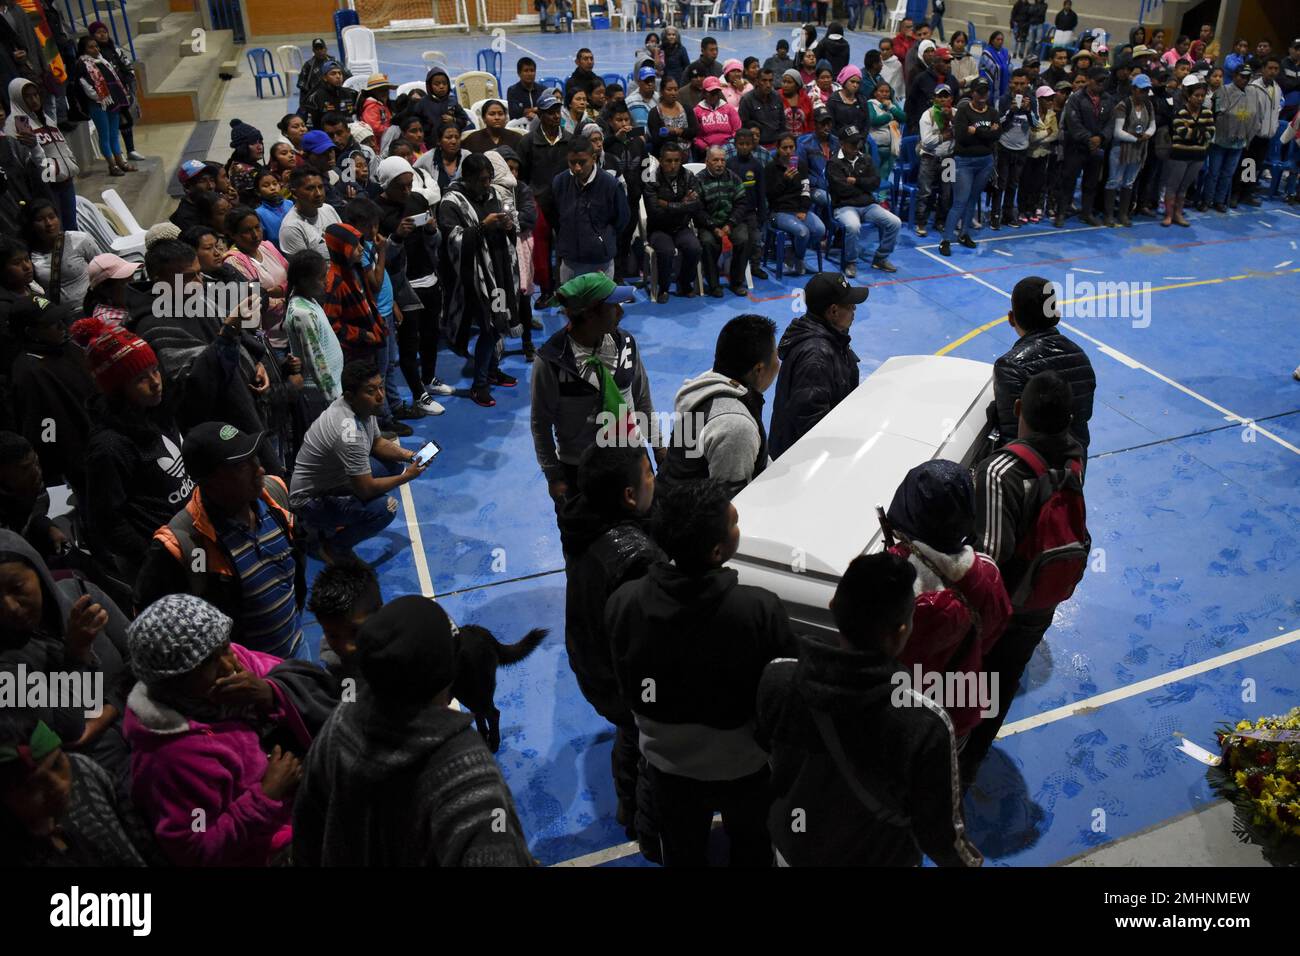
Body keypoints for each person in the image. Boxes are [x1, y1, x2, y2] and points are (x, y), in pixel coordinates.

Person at [607, 478, 795, 867]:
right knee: (752, 845)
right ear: (717, 550)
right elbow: (780, 695)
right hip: (743, 765)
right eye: (735, 523)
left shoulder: (624, 604)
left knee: (682, 848)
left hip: (667, 765)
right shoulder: (760, 610)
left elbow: (626, 687)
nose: (739, 528)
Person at [756, 550, 983, 867]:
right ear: (902, 632)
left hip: (793, 849)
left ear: (834, 607)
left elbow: (766, 759)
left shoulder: (778, 678)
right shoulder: (924, 724)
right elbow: (940, 834)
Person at [292, 594, 533, 866]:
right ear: (450, 672)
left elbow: (306, 832)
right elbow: (494, 854)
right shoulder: (469, 771)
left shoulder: (338, 727)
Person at [961, 371, 1088, 782]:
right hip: (1044, 598)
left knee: (967, 685)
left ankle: (952, 762)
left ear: (1017, 410)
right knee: (1004, 681)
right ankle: (973, 758)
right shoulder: (1076, 454)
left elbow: (990, 558)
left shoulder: (1001, 471)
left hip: (1004, 609)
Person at [123, 594, 311, 866]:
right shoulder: (171, 758)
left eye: (225, 647)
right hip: (273, 850)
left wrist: (268, 692)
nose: (231, 664)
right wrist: (265, 796)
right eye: (210, 662)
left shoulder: (227, 665)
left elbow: (292, 678)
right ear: (174, 682)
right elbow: (196, 847)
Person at [555, 444, 662, 843]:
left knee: (628, 733)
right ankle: (640, 818)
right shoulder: (636, 558)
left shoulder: (581, 519)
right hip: (620, 682)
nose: (656, 478)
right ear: (629, 496)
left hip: (588, 660)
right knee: (645, 742)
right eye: (650, 472)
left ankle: (624, 800)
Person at [0, 524, 132, 788]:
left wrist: (108, 710)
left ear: (38, 572)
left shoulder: (81, 593)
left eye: (17, 588)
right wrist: (75, 655)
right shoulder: (7, 664)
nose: (10, 607)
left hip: (151, 737)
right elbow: (69, 730)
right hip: (103, 777)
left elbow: (144, 658)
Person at [531, 273, 657, 504]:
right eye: (613, 307)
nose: (621, 312)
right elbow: (540, 422)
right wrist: (553, 476)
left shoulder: (625, 344)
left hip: (630, 456)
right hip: (581, 468)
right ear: (589, 313)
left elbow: (642, 399)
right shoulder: (552, 361)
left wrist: (658, 446)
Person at [290, 360, 429, 563]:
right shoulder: (349, 431)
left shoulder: (361, 408)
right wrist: (408, 477)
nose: (380, 396)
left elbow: (378, 443)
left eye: (380, 387)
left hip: (330, 481)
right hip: (310, 500)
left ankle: (339, 515)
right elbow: (366, 489)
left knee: (394, 465)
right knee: (386, 508)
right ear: (350, 395)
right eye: (371, 391)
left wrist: (411, 456)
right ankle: (334, 547)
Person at [0, 709, 159, 867]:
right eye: (33, 786)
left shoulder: (83, 772)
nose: (58, 785)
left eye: (57, 765)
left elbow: (142, 837)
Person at [661, 314, 777, 496]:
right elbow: (731, 502)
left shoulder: (706, 384)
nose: (778, 364)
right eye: (775, 356)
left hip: (672, 502)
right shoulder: (735, 425)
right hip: (691, 518)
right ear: (759, 369)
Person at [437, 153, 518, 409]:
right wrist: (483, 226)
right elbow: (453, 240)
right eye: (482, 180)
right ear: (468, 178)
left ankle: (492, 370)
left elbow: (509, 227)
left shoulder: (492, 194)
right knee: (489, 327)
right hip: (473, 278)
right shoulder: (451, 203)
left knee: (498, 321)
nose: (487, 184)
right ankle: (479, 384)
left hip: (499, 270)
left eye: (489, 179)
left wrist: (507, 225)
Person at [992, 275, 1096, 454]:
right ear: (1056, 315)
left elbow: (1012, 438)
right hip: (1074, 468)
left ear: (1011, 318)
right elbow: (1082, 419)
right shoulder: (1081, 358)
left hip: (1030, 474)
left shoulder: (1010, 367)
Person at [768, 273, 865, 459]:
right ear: (833, 311)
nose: (854, 308)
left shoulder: (828, 335)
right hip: (802, 460)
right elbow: (812, 426)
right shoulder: (816, 357)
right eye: (850, 304)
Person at [517, 94, 573, 311]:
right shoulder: (528, 142)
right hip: (538, 201)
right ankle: (547, 290)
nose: (555, 116)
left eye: (558, 111)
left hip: (565, 200)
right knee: (540, 249)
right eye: (550, 112)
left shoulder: (569, 139)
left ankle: (566, 289)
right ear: (540, 115)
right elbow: (521, 176)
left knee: (567, 246)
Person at [550, 139, 628, 285]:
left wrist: (603, 238)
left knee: (600, 306)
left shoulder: (610, 184)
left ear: (593, 158)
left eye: (582, 162)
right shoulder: (559, 182)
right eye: (572, 163)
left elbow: (622, 219)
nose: (577, 168)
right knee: (572, 307)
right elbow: (555, 216)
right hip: (569, 261)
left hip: (601, 261)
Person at [827, 126, 899, 276]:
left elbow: (876, 182)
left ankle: (880, 258)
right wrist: (864, 186)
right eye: (852, 143)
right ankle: (851, 262)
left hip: (868, 205)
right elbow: (841, 190)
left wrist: (856, 181)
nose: (856, 146)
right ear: (842, 144)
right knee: (853, 226)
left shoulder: (865, 159)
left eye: (858, 143)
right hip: (845, 206)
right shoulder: (834, 163)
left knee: (895, 222)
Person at [941, 76, 1000, 256]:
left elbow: (997, 136)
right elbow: (962, 137)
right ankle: (946, 239)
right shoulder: (963, 111)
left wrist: (977, 131)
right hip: (963, 162)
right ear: (972, 93)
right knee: (960, 201)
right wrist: (987, 132)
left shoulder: (992, 112)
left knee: (973, 200)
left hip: (985, 162)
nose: (982, 95)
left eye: (985, 91)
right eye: (979, 91)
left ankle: (964, 234)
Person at [1054, 68, 1114, 228]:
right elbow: (1073, 123)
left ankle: (1086, 213)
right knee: (1068, 181)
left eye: (1103, 81)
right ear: (1089, 80)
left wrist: (1101, 138)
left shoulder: (1108, 99)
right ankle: (1061, 212)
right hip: (1076, 147)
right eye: (1098, 81)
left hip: (1097, 148)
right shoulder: (1076, 98)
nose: (1101, 84)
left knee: (1091, 183)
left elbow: (1111, 123)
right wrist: (1090, 138)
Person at [645, 141, 703, 302]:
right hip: (658, 229)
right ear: (661, 160)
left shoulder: (688, 176)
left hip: (681, 226)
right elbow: (655, 212)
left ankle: (684, 283)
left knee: (695, 248)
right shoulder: (651, 179)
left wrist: (668, 205)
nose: (673, 165)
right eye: (669, 161)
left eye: (677, 160)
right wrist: (683, 203)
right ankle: (664, 288)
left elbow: (696, 204)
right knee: (666, 251)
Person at [20, 200, 98, 315]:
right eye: (40, 220)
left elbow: (104, 268)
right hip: (60, 317)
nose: (49, 223)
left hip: (92, 308)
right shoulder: (29, 255)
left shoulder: (80, 240)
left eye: (52, 217)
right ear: (31, 225)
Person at [73, 36, 134, 178]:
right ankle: (112, 165)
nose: (96, 49)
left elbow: (114, 78)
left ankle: (121, 162)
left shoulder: (103, 60)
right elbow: (85, 86)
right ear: (84, 49)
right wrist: (100, 97)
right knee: (105, 135)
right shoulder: (82, 65)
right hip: (98, 104)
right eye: (91, 47)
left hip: (113, 102)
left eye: (96, 46)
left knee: (114, 134)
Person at [695, 147, 751, 298]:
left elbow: (741, 204)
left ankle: (736, 283)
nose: (720, 163)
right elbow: (697, 209)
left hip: (731, 222)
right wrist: (713, 227)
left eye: (722, 160)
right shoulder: (698, 180)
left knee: (743, 239)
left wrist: (730, 224)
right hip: (708, 224)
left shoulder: (734, 178)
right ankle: (714, 286)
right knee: (707, 242)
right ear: (707, 162)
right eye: (715, 160)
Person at [766, 133, 825, 277]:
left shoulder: (801, 165)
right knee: (802, 232)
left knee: (820, 230)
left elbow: (806, 189)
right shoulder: (770, 168)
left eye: (791, 147)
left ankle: (794, 253)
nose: (788, 151)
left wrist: (804, 209)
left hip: (799, 209)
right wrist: (784, 180)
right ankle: (799, 259)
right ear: (778, 148)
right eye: (784, 147)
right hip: (778, 212)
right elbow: (770, 195)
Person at [1104, 72, 1156, 226]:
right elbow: (1117, 132)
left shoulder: (1149, 105)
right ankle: (1108, 215)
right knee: (1113, 181)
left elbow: (1153, 125)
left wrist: (1147, 134)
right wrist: (1137, 138)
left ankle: (1122, 214)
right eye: (1142, 90)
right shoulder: (1123, 105)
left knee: (1129, 182)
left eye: (1147, 90)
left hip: (1138, 150)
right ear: (1133, 89)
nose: (1144, 93)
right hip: (1120, 150)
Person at [1161, 75, 1214, 226]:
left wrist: (1193, 132)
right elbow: (1182, 132)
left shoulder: (1207, 113)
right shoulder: (1180, 112)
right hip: (1179, 155)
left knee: (1184, 187)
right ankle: (1168, 215)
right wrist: (1199, 133)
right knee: (1173, 186)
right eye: (1196, 95)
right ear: (1189, 96)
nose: (1200, 98)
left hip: (1198, 156)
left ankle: (1178, 214)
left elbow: (1211, 132)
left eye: (1202, 96)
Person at [990, 68, 1040, 229]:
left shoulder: (1032, 101)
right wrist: (1011, 112)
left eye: (1022, 84)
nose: (1018, 87)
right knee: (1000, 183)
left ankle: (1008, 214)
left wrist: (1028, 110)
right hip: (1004, 147)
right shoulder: (1003, 100)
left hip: (1022, 149)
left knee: (1013, 184)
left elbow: (1036, 124)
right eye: (1016, 83)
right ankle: (995, 215)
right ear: (1010, 83)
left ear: (1028, 84)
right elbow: (998, 125)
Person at [1204, 64, 1255, 213]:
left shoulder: (1251, 94)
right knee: (1214, 172)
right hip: (1220, 139)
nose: (1244, 80)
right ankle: (1207, 199)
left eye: (1247, 77)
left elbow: (1253, 116)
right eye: (1242, 76)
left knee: (1228, 174)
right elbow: (1219, 114)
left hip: (1239, 142)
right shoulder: (1222, 91)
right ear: (1234, 76)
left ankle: (1219, 201)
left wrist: (1248, 137)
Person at [1236, 57, 1282, 207]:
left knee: (1255, 167)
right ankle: (1236, 194)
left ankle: (1247, 194)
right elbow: (1247, 113)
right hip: (1252, 135)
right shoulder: (1253, 88)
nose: (1273, 71)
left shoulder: (1277, 88)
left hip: (1266, 136)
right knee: (1245, 165)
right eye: (1270, 68)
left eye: (1276, 69)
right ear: (1263, 69)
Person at [915, 84, 955, 236]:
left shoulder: (956, 114)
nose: (943, 99)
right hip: (929, 158)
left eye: (946, 96)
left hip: (948, 159)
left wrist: (951, 119)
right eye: (940, 96)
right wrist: (944, 136)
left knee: (947, 193)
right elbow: (926, 141)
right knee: (925, 192)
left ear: (951, 98)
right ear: (934, 98)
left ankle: (940, 221)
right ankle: (921, 222)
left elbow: (961, 134)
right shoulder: (927, 115)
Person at [278, 167, 342, 259]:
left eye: (320, 187)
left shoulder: (328, 209)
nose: (318, 193)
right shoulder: (291, 228)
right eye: (310, 188)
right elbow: (307, 270)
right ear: (294, 194)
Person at [302, 61, 357, 130]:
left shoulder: (351, 93)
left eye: (340, 73)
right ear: (325, 78)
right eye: (333, 73)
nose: (338, 76)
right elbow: (310, 126)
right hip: (325, 135)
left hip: (348, 132)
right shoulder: (315, 97)